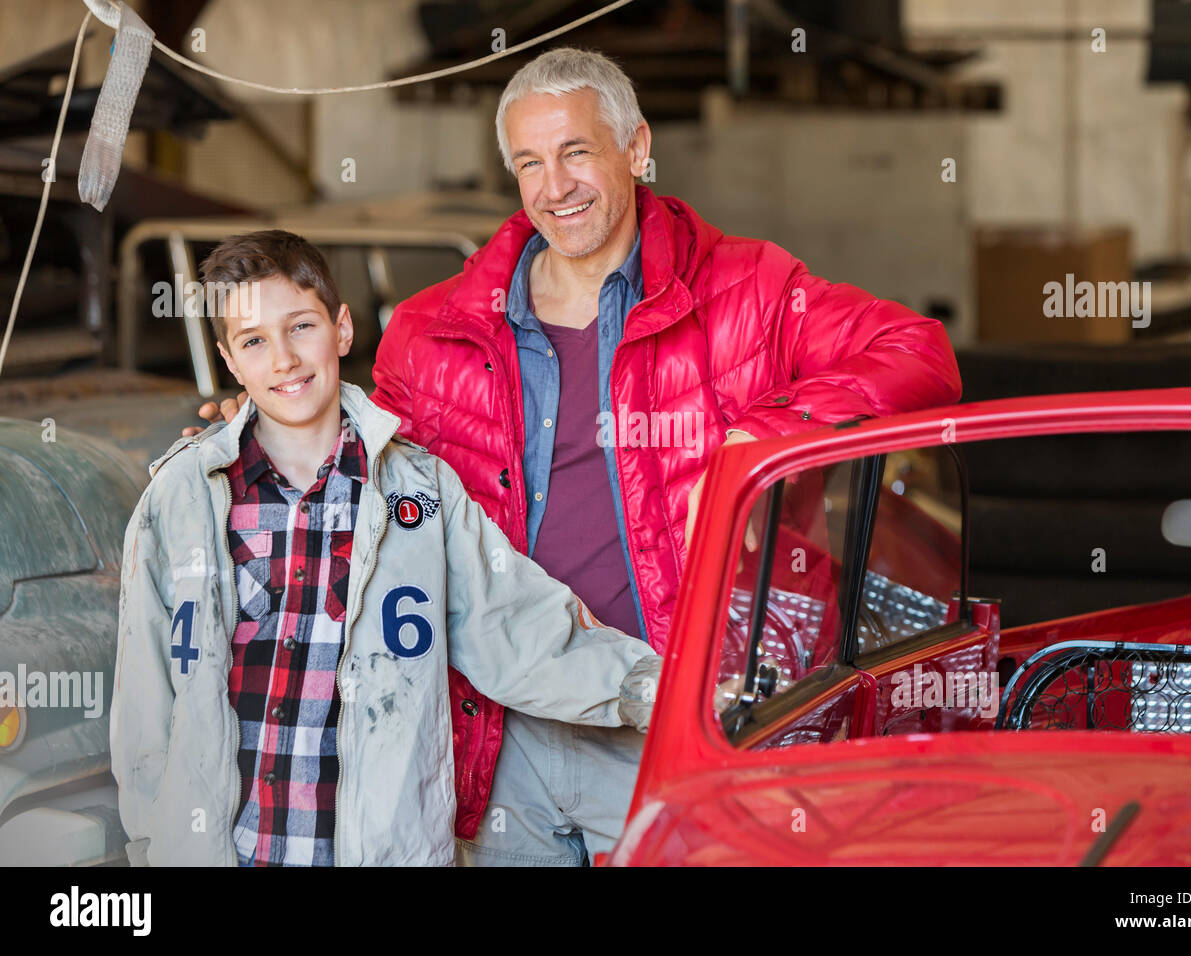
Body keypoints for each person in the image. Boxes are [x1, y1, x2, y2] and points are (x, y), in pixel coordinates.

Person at [192, 47, 962, 866]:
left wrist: (760, 440)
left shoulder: (749, 289)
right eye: (529, 162)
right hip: (500, 732)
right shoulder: (435, 330)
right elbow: (371, 467)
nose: (554, 186)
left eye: (576, 152)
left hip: (672, 715)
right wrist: (266, 420)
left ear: (636, 148)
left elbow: (917, 351)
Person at [116, 229, 661, 866]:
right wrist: (153, 850)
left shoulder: (420, 494)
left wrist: (652, 689)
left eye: (301, 327)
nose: (284, 360)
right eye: (254, 342)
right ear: (230, 363)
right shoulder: (179, 499)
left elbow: (514, 625)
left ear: (342, 329)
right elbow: (144, 706)